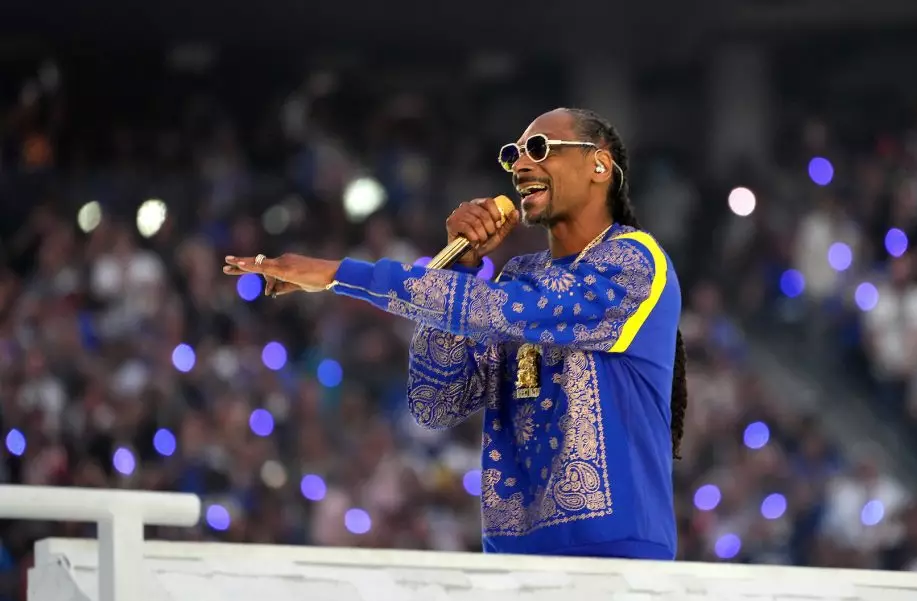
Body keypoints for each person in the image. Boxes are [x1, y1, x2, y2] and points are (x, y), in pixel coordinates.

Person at [224, 108, 687, 560]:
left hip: (615, 549)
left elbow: (498, 310)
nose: (521, 166)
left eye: (541, 150)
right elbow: (435, 401)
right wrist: (460, 265)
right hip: (514, 556)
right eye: (514, 155)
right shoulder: (519, 274)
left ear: (599, 163)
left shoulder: (632, 261)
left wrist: (337, 273)